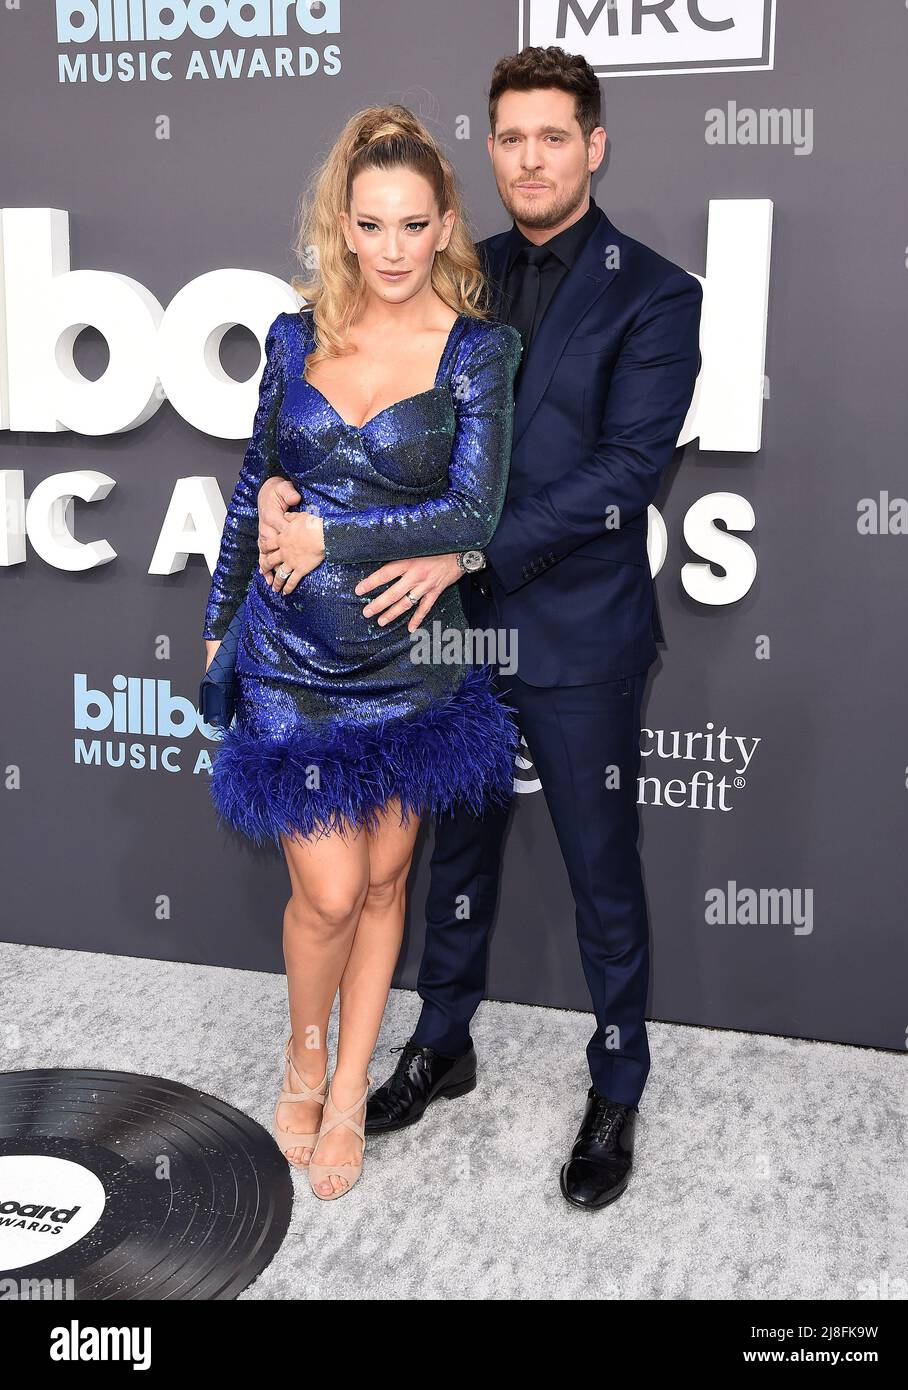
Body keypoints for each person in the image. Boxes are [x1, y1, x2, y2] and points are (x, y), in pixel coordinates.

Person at [258, 47, 703, 1210]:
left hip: (571, 632)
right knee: (441, 855)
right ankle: (441, 1041)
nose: (532, 158)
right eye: (511, 138)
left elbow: (624, 470)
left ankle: (616, 1079)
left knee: (600, 863)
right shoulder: (454, 275)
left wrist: (463, 547)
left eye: (554, 136)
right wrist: (286, 490)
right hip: (435, 635)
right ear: (488, 152)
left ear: (593, 146)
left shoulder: (657, 293)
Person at [201, 105, 522, 1200]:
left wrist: (331, 532)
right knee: (329, 892)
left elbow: (473, 507)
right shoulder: (295, 335)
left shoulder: (480, 350)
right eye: (371, 223)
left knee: (386, 880)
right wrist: (219, 613)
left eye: (412, 224)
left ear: (444, 228)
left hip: (414, 660)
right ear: (342, 223)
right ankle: (302, 1056)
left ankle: (346, 1092)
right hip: (290, 653)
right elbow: (255, 484)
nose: (390, 248)